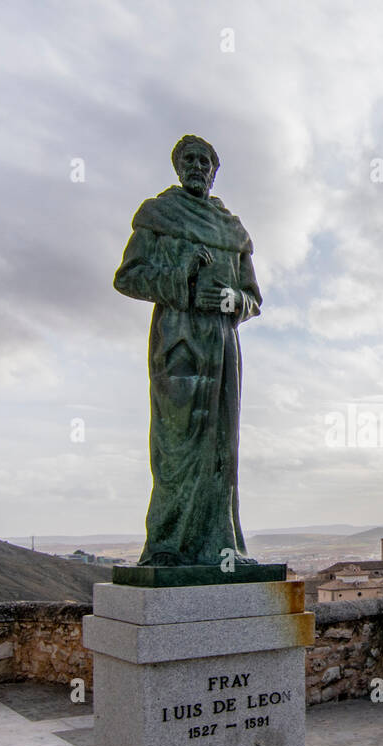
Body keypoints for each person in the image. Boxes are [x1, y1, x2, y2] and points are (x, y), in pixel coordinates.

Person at [113, 135, 262, 566]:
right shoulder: (158, 215)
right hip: (178, 342)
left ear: (215, 171)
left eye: (205, 161)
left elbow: (253, 298)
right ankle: (166, 547)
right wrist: (183, 280)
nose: (198, 167)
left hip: (222, 346)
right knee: (176, 444)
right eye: (190, 160)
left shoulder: (232, 230)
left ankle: (223, 546)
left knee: (222, 448)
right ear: (178, 167)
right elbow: (128, 277)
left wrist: (232, 301)